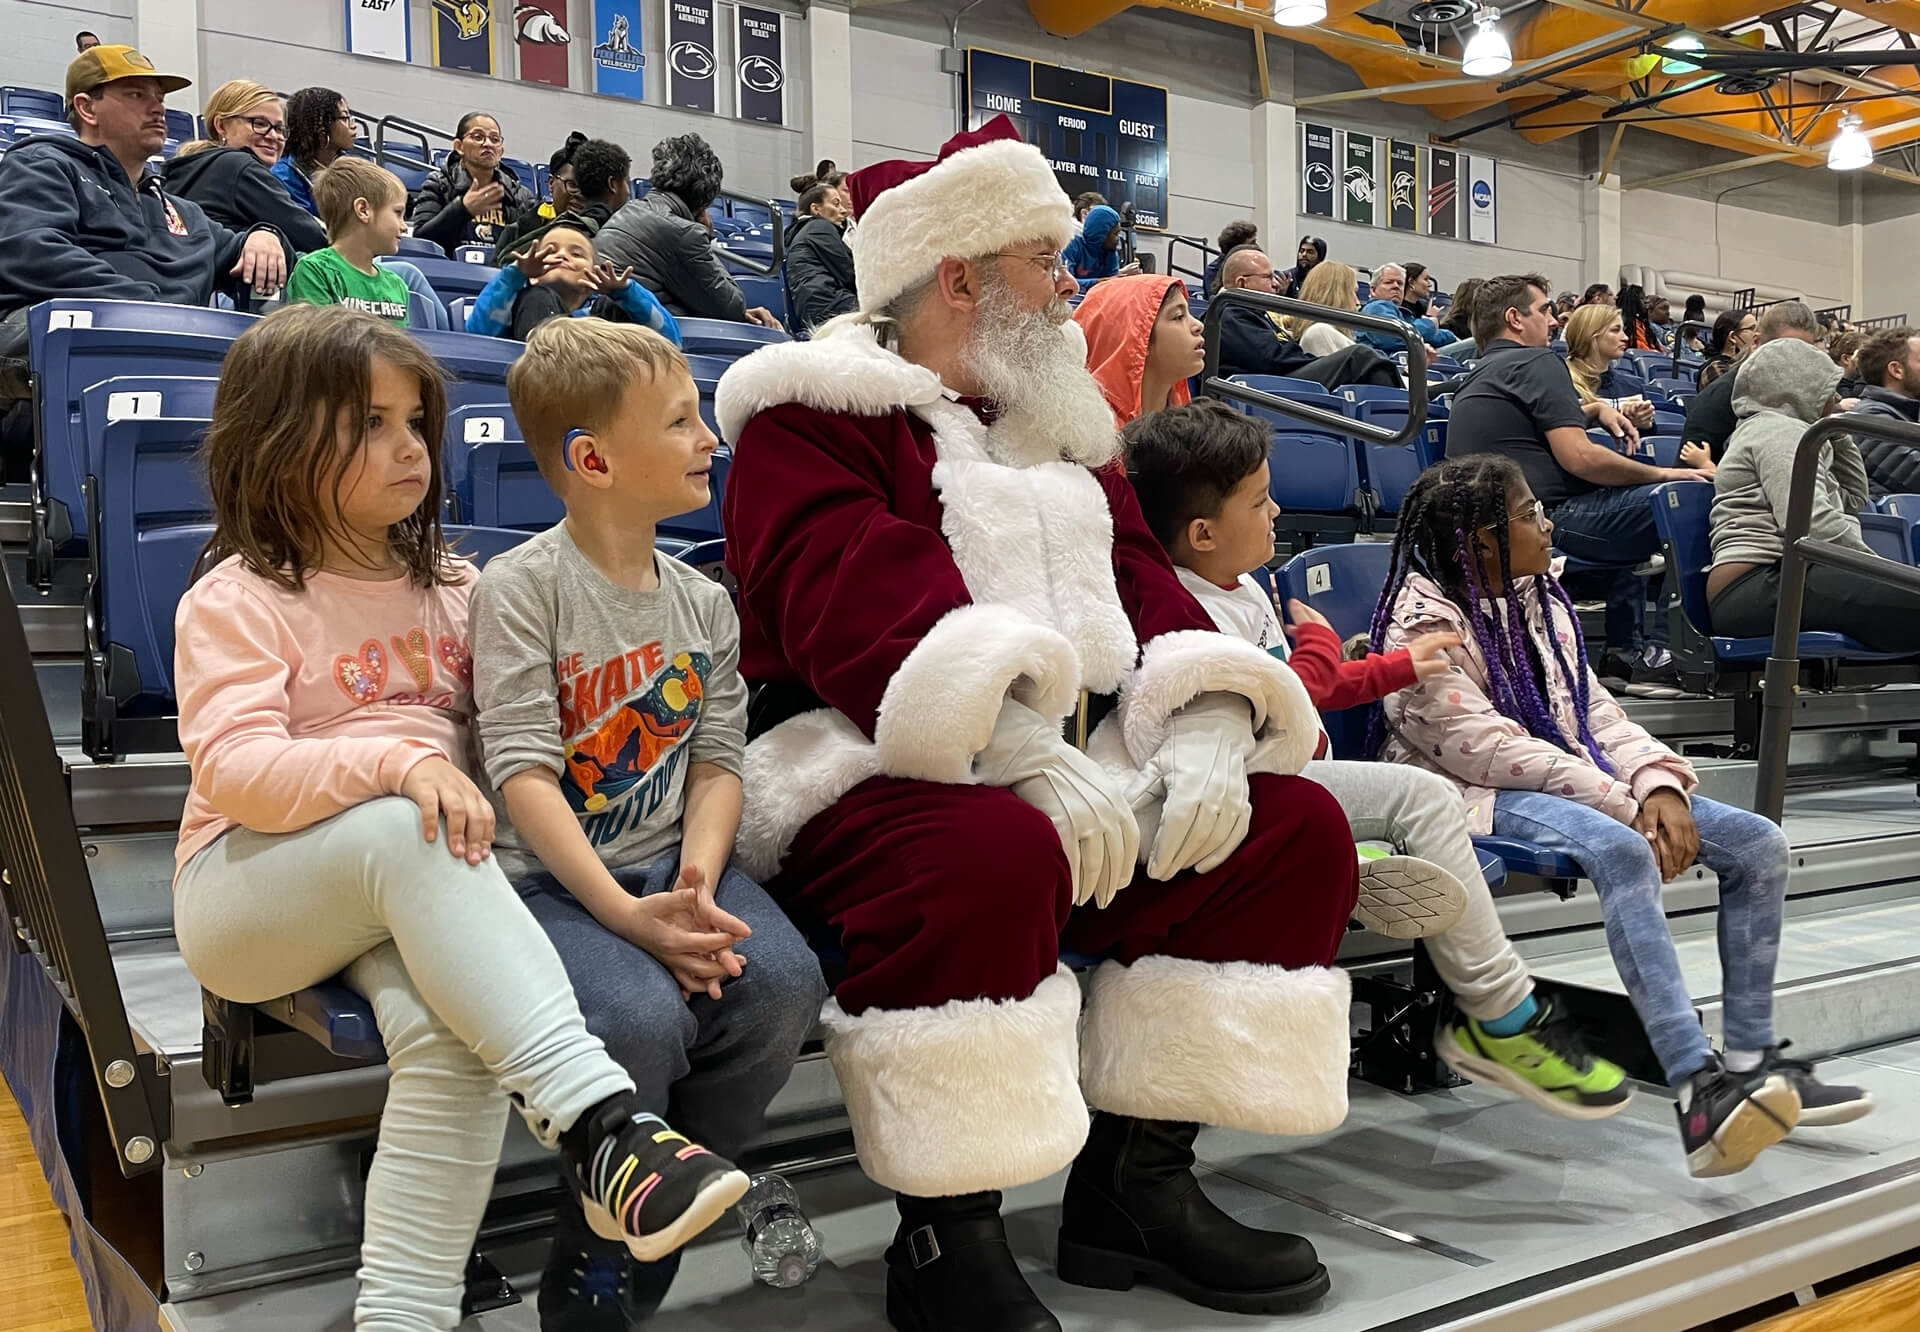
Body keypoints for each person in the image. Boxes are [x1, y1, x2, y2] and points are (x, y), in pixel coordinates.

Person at [718, 115, 1361, 1330]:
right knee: (990, 851)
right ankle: (943, 1236)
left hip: (1076, 762)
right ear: (958, 276)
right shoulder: (815, 415)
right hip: (859, 766)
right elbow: (846, 611)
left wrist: (1219, 719)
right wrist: (1010, 750)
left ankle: (1135, 1190)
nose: (1072, 284)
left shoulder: (1061, 428)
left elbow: (1153, 590)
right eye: (1044, 257)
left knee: (1290, 830)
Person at [170, 304, 754, 1330]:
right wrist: (398, 763)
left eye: (416, 420)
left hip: (414, 891)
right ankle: (603, 1122)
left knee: (458, 1028)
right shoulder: (240, 595)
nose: (413, 449)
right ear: (277, 439)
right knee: (412, 820)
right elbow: (240, 771)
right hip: (249, 893)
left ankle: (405, 1315)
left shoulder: (452, 585)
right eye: (372, 424)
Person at [1126, 401, 1632, 1119]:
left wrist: (1347, 658)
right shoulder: (1185, 607)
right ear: (1203, 531)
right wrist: (1325, 647)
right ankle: (1503, 1017)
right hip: (1248, 785)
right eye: (1260, 500)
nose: (1277, 510)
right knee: (1421, 799)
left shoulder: (1242, 584)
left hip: (1294, 771)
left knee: (1408, 804)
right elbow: (1298, 687)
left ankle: (1365, 858)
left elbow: (1303, 685)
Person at [1375, 454, 1871, 1176]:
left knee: (1759, 842)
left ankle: (1753, 1062)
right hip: (1468, 794)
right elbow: (1485, 751)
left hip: (1574, 778)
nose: (1545, 524)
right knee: (1622, 849)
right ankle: (1697, 1088)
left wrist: (1658, 782)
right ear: (1479, 540)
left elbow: (1595, 712)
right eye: (1526, 514)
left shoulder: (1537, 594)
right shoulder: (1419, 622)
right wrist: (1625, 801)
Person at [471, 318, 825, 1326]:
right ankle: (596, 1233)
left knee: (784, 985)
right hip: (552, 879)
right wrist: (629, 920)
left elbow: (719, 760)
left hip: (672, 860)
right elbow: (525, 774)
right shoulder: (522, 589)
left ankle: (666, 1213)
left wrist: (697, 885)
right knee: (637, 1016)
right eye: (680, 422)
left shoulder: (705, 602)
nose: (710, 440)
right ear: (591, 459)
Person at [1444, 274, 1700, 691]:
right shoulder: (1538, 362)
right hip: (1550, 520)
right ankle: (1662, 654)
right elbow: (1581, 459)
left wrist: (1593, 409)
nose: (1554, 321)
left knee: (1625, 502)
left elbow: (1525, 420)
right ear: (1515, 318)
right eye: (1544, 310)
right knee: (1690, 500)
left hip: (1502, 525)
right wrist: (1667, 474)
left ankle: (1621, 657)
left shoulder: (1482, 373)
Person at [0, 46, 287, 343]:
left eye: (160, 99)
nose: (158, 108)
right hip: (73, 333)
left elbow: (240, 252)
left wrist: (264, 234)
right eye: (137, 95)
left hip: (166, 342)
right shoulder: (43, 165)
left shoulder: (182, 211)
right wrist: (152, 312)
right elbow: (33, 252)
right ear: (87, 108)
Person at [1710, 337, 1920, 653]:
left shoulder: (1799, 432)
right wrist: (1884, 571)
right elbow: (1810, 524)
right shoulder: (1778, 431)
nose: (1835, 395)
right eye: (1825, 386)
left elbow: (1853, 500)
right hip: (1760, 583)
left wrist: (1836, 430)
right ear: (1799, 386)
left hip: (1785, 577)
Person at [596, 132, 781, 328]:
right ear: (706, 199)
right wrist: (706, 237)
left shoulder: (631, 210)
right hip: (638, 340)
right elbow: (731, 306)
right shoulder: (683, 233)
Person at [161, 79, 327, 254]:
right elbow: (312, 237)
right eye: (260, 124)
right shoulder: (238, 165)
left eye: (279, 129)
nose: (273, 136)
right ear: (221, 126)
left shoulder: (193, 166)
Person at [1209, 247, 1402, 389]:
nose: (1276, 284)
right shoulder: (1227, 313)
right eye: (1268, 277)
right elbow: (1270, 359)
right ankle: (1408, 415)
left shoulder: (1249, 311)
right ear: (1243, 282)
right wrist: (1312, 361)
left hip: (1279, 378)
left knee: (1362, 361)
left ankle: (1413, 403)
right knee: (1359, 357)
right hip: (1268, 387)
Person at [467, 216, 679, 343]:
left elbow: (671, 343)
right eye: (550, 251)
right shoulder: (517, 304)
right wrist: (515, 274)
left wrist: (625, 291)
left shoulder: (602, 311)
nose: (562, 256)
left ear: (594, 275)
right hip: (542, 390)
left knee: (614, 307)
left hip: (604, 389)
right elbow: (478, 337)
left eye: (577, 254)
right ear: (533, 276)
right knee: (537, 298)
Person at [1682, 302, 1820, 460]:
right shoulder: (1724, 392)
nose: (1796, 357)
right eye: (1785, 347)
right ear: (1756, 342)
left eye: (1806, 350)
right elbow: (1691, 467)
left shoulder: (1795, 393)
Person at [285, 158, 412, 324]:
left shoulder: (397, 285)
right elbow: (316, 343)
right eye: (398, 212)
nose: (404, 227)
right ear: (363, 210)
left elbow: (402, 348)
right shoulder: (314, 271)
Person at [1073, 273, 1203, 426]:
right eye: (1178, 316)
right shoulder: (1095, 443)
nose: (1198, 326)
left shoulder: (1189, 425)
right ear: (1139, 339)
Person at [410, 111, 536, 256]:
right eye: (478, 137)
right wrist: (462, 209)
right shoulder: (439, 183)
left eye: (494, 139)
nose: (488, 144)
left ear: (500, 151)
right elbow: (421, 240)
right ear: (459, 146)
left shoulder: (520, 195)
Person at [494, 137, 630, 262]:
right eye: (573, 185)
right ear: (551, 183)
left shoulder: (607, 234)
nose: (581, 194)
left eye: (588, 186)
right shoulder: (518, 231)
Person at [1562, 304, 1654, 431]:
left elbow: (1648, 443)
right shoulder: (1561, 383)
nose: (1625, 338)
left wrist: (1644, 424)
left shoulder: (1633, 387)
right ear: (1591, 334)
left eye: (1623, 330)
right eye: (1615, 330)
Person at [784, 179, 857, 333]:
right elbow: (850, 272)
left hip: (816, 309)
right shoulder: (819, 227)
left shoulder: (805, 230)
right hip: (829, 307)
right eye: (836, 204)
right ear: (816, 209)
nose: (843, 210)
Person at [274, 87, 357, 218]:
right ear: (321, 128)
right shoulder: (283, 177)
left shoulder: (350, 165)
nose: (353, 125)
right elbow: (307, 226)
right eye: (345, 117)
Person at [1358, 263, 1452, 354]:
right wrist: (1430, 323)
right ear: (1373, 290)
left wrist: (1449, 336)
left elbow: (1428, 335)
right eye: (1389, 282)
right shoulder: (1376, 307)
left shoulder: (1402, 313)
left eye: (1400, 283)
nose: (1396, 286)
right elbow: (1396, 336)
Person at [1282, 259, 1362, 358]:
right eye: (1353, 292)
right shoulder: (1320, 332)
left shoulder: (1326, 332)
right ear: (1336, 296)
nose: (1357, 302)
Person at [1063, 203, 1138, 289]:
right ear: (1101, 233)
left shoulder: (1110, 253)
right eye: (1115, 234)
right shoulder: (1072, 246)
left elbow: (1112, 284)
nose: (1118, 239)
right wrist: (1099, 282)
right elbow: (1066, 282)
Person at [1698, 308, 1758, 387]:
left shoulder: (1745, 364)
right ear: (1732, 337)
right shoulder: (1715, 368)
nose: (1757, 334)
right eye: (1752, 329)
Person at [1203, 220, 1258, 296]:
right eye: (1252, 243)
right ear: (1236, 248)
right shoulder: (1213, 272)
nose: (1256, 247)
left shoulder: (1256, 265)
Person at [1616, 285, 1663, 351]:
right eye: (1641, 298)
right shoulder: (1622, 322)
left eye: (1645, 298)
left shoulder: (1644, 324)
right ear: (1632, 301)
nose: (1646, 301)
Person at [1278, 234, 1325, 299]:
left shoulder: (1325, 281)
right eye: (1301, 251)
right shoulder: (1286, 277)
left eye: (1310, 252)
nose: (1304, 254)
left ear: (1320, 258)